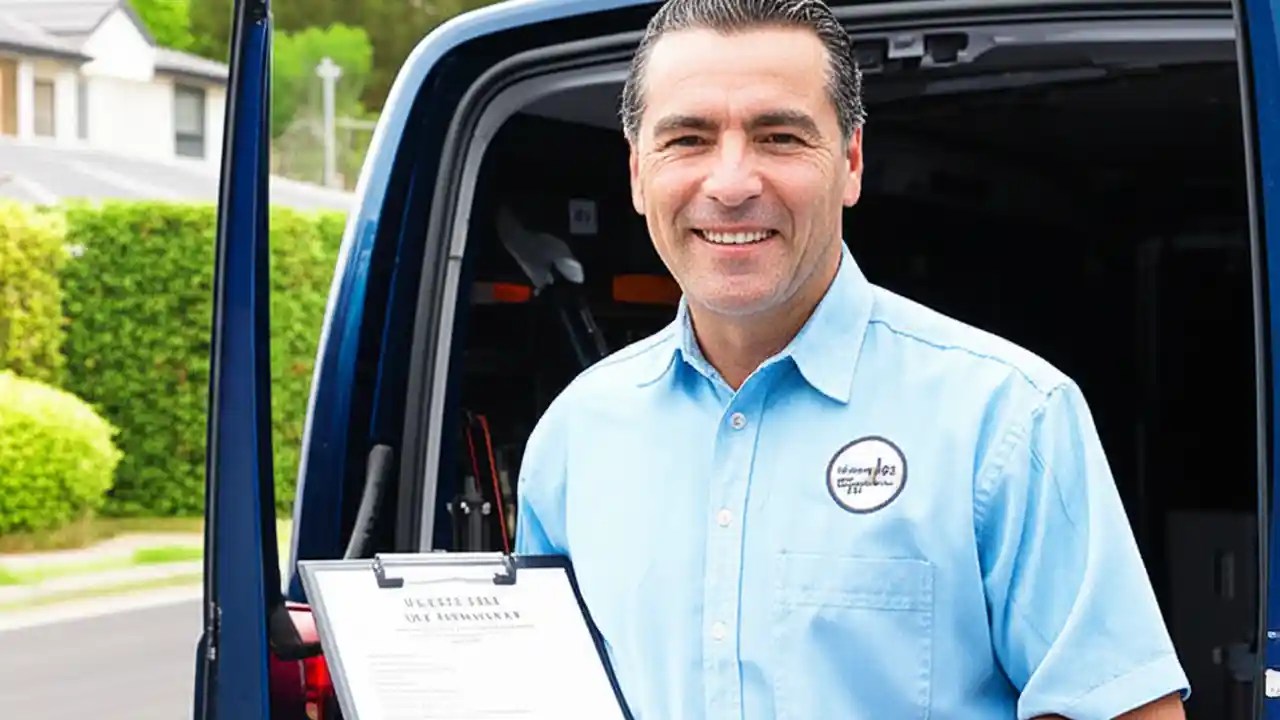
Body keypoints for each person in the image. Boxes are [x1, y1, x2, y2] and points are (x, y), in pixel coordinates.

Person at [514, 0, 1190, 717]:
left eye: (778, 136)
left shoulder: (1007, 417)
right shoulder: (576, 434)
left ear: (851, 162)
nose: (733, 183)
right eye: (688, 139)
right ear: (637, 173)